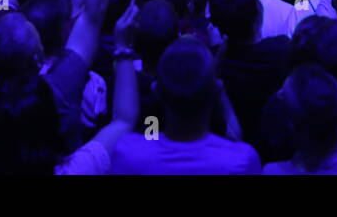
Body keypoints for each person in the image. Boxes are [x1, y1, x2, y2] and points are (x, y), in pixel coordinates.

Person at [109, 39, 261, 174]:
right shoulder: (241, 161)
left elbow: (149, 138)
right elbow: (234, 137)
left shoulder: (127, 153)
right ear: (216, 91)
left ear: (157, 91)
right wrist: (220, 92)